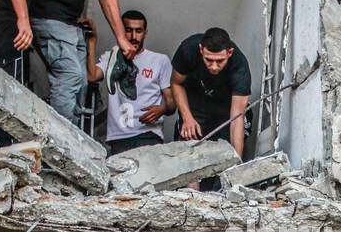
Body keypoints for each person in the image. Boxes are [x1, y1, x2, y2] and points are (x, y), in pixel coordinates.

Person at [30, 0, 147, 125]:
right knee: (70, 76)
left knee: (82, 81)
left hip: (67, 21)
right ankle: (62, 142)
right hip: (51, 18)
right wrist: (122, 39)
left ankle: (73, 131)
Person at [84, 10, 175, 154]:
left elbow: (172, 104)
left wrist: (162, 109)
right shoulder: (111, 57)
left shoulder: (160, 60)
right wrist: (92, 41)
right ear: (120, 31)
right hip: (119, 137)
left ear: (145, 32)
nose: (133, 37)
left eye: (138, 31)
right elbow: (92, 76)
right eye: (128, 30)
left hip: (148, 135)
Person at [170, 27, 251, 164]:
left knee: (229, 148)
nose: (214, 66)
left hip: (226, 104)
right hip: (196, 100)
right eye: (208, 60)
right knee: (190, 142)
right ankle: (190, 186)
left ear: (229, 53)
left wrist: (237, 162)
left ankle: (227, 182)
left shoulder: (239, 66)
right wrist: (187, 117)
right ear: (201, 50)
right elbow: (176, 84)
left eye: (219, 61)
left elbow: (237, 116)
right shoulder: (188, 49)